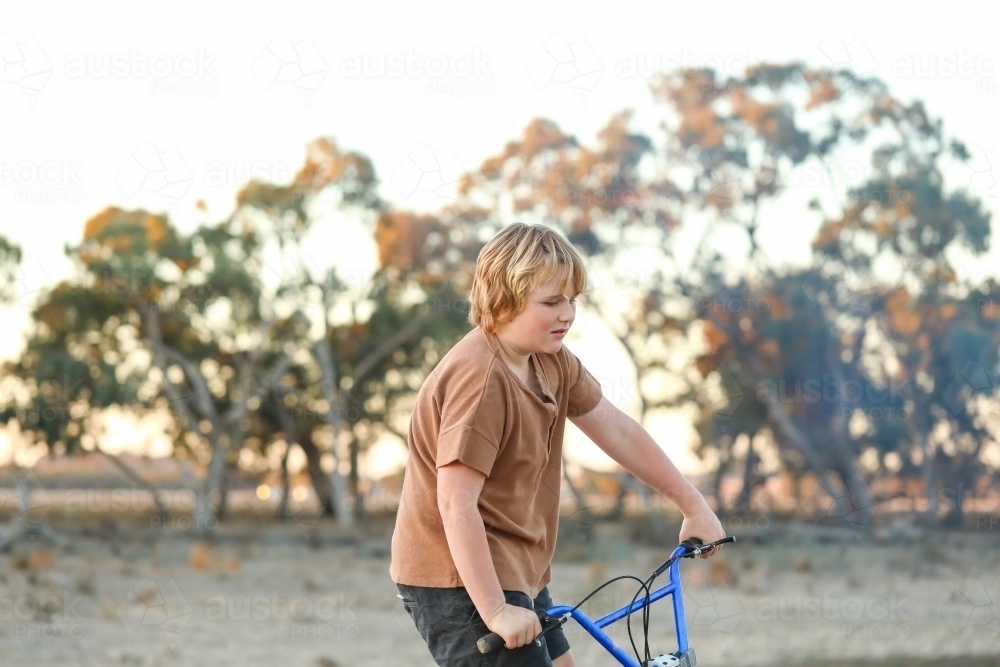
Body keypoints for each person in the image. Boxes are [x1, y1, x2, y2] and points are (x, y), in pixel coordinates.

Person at [390, 222, 725, 666]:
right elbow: (456, 505)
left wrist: (693, 504)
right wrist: (495, 610)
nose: (568, 313)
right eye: (551, 302)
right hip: (458, 577)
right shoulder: (481, 381)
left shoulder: (552, 361)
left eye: (572, 300)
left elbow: (619, 431)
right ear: (502, 301)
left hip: (516, 566)